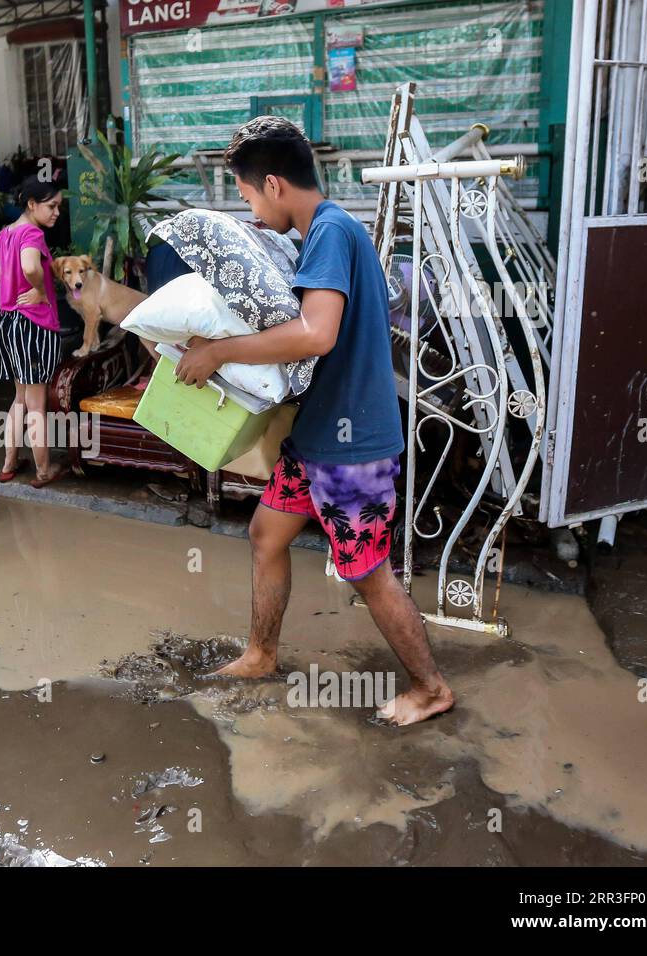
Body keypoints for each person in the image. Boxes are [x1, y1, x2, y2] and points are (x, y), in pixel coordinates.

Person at [173, 117, 454, 727]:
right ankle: (261, 654)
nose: (248, 205)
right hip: (320, 436)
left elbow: (315, 334)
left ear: (273, 184)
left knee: (367, 572)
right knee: (265, 535)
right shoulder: (324, 232)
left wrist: (218, 352)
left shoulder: (329, 232)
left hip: (352, 447)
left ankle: (430, 688)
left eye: (247, 194)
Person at [0, 178, 66, 489]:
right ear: (32, 204)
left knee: (19, 399)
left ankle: (9, 464)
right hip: (33, 325)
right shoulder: (30, 232)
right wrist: (39, 290)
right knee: (37, 403)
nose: (56, 212)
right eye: (51, 206)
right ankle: (43, 471)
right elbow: (30, 267)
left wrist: (7, 284)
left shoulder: (7, 233)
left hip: (10, 325)